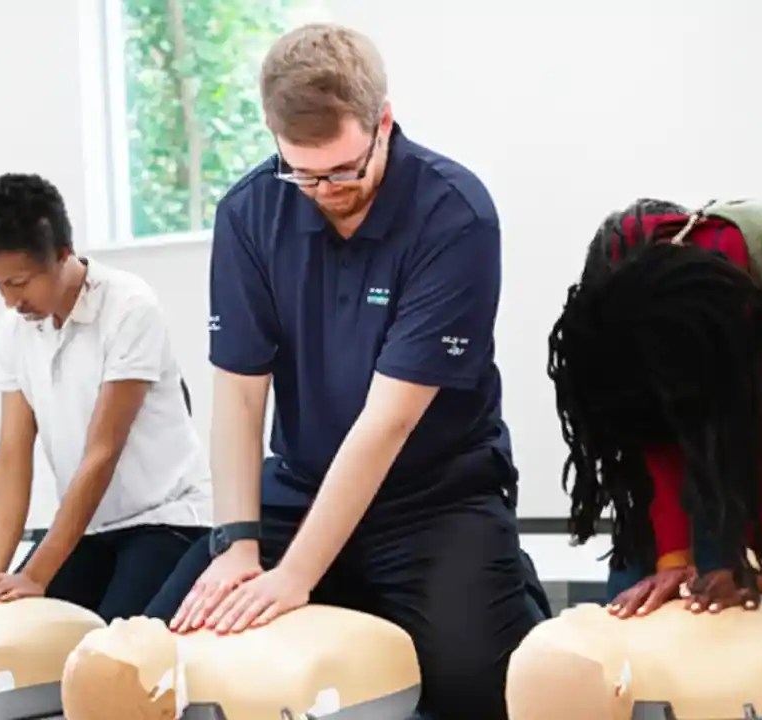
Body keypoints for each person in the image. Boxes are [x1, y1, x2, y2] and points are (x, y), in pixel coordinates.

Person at [142, 23, 547, 720]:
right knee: (161, 650)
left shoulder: (455, 216)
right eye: (302, 172)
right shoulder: (250, 212)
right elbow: (239, 397)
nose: (325, 189)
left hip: (432, 498)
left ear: (382, 121)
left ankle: (507, 580)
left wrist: (297, 575)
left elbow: (386, 423)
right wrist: (238, 545)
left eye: (345, 170)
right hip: (298, 486)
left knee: (482, 687)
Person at [0, 173, 212, 622]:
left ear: (64, 256)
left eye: (19, 282)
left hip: (168, 519)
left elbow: (102, 453)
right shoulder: (13, 330)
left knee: (104, 647)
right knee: (13, 625)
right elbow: (12, 457)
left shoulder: (130, 308)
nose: (10, 300)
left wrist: (36, 574)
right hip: (88, 528)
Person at [548, 197, 762, 623]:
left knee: (744, 607)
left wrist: (755, 566)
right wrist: (672, 559)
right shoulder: (622, 259)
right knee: (640, 598)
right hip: (714, 387)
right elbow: (651, 426)